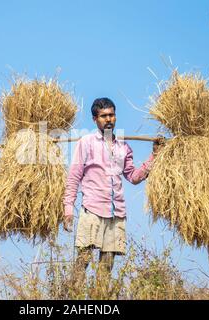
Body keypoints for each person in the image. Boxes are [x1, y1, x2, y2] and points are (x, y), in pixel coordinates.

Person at [63, 97, 161, 290]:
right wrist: (68, 210)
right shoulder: (86, 143)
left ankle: (100, 301)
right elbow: (74, 177)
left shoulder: (123, 147)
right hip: (92, 210)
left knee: (106, 266)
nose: (108, 119)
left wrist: (155, 156)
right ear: (95, 119)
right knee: (82, 261)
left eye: (112, 115)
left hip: (117, 214)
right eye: (103, 116)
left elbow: (133, 177)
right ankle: (71, 299)